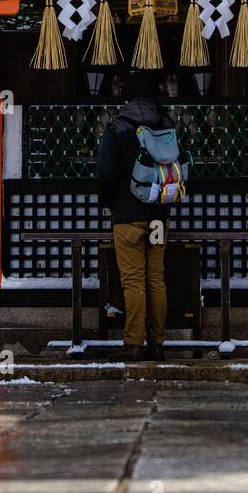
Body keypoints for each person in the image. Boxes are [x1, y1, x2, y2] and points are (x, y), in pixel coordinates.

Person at [95, 71, 172, 361]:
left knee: (133, 280)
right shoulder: (166, 124)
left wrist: (110, 201)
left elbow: (105, 172)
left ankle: (134, 341)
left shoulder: (118, 128)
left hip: (128, 215)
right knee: (156, 278)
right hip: (159, 214)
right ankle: (158, 340)